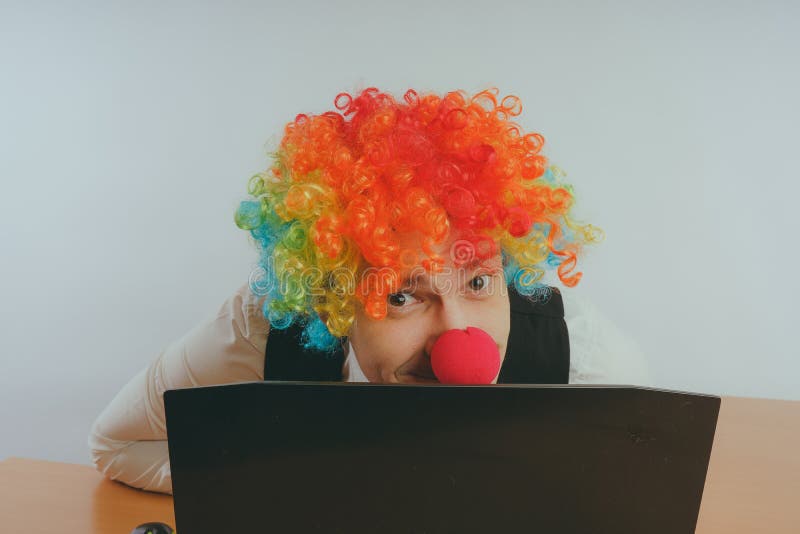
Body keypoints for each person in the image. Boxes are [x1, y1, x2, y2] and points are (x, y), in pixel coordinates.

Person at [88, 87, 650, 494]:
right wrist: (288, 483)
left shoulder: (581, 353)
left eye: (479, 281)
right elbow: (118, 444)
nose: (458, 339)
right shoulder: (261, 332)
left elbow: (647, 474)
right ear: (332, 299)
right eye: (402, 296)